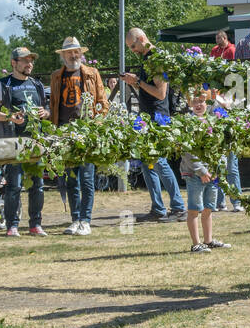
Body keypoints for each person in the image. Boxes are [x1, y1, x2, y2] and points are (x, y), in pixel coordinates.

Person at [122, 28, 186, 223]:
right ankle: (158, 208)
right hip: (148, 117)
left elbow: (160, 93)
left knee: (158, 161)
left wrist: (138, 81)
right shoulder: (148, 58)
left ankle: (178, 207)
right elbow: (148, 90)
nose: (133, 50)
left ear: (142, 39)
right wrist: (133, 82)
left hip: (158, 118)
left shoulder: (156, 58)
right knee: (147, 163)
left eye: (133, 46)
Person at [50, 37, 109, 236]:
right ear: (63, 56)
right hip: (64, 131)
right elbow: (53, 105)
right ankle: (75, 219)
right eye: (69, 53)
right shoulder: (56, 76)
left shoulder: (92, 73)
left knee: (86, 178)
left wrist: (97, 125)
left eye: (76, 52)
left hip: (86, 130)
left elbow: (102, 102)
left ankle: (86, 220)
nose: (73, 55)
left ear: (81, 54)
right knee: (70, 179)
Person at [0, 46, 50, 237]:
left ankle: (35, 225)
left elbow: (46, 110)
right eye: (25, 60)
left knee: (38, 185)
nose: (29, 64)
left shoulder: (37, 84)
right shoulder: (3, 84)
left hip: (35, 141)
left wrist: (45, 113)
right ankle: (12, 225)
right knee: (14, 185)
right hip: (14, 142)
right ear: (14, 63)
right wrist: (9, 117)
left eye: (31, 60)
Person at [181, 89, 231, 253]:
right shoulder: (187, 123)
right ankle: (196, 244)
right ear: (189, 104)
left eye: (201, 101)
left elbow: (220, 146)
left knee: (209, 207)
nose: (198, 104)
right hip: (195, 173)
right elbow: (188, 151)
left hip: (212, 173)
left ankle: (208, 240)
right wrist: (201, 170)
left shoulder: (214, 121)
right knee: (195, 208)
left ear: (208, 103)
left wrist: (217, 168)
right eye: (194, 102)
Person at [211, 88, 245, 213]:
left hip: (230, 134)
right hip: (215, 132)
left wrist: (217, 98)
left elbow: (229, 106)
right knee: (218, 168)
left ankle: (237, 202)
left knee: (231, 168)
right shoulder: (210, 89)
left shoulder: (233, 88)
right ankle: (220, 202)